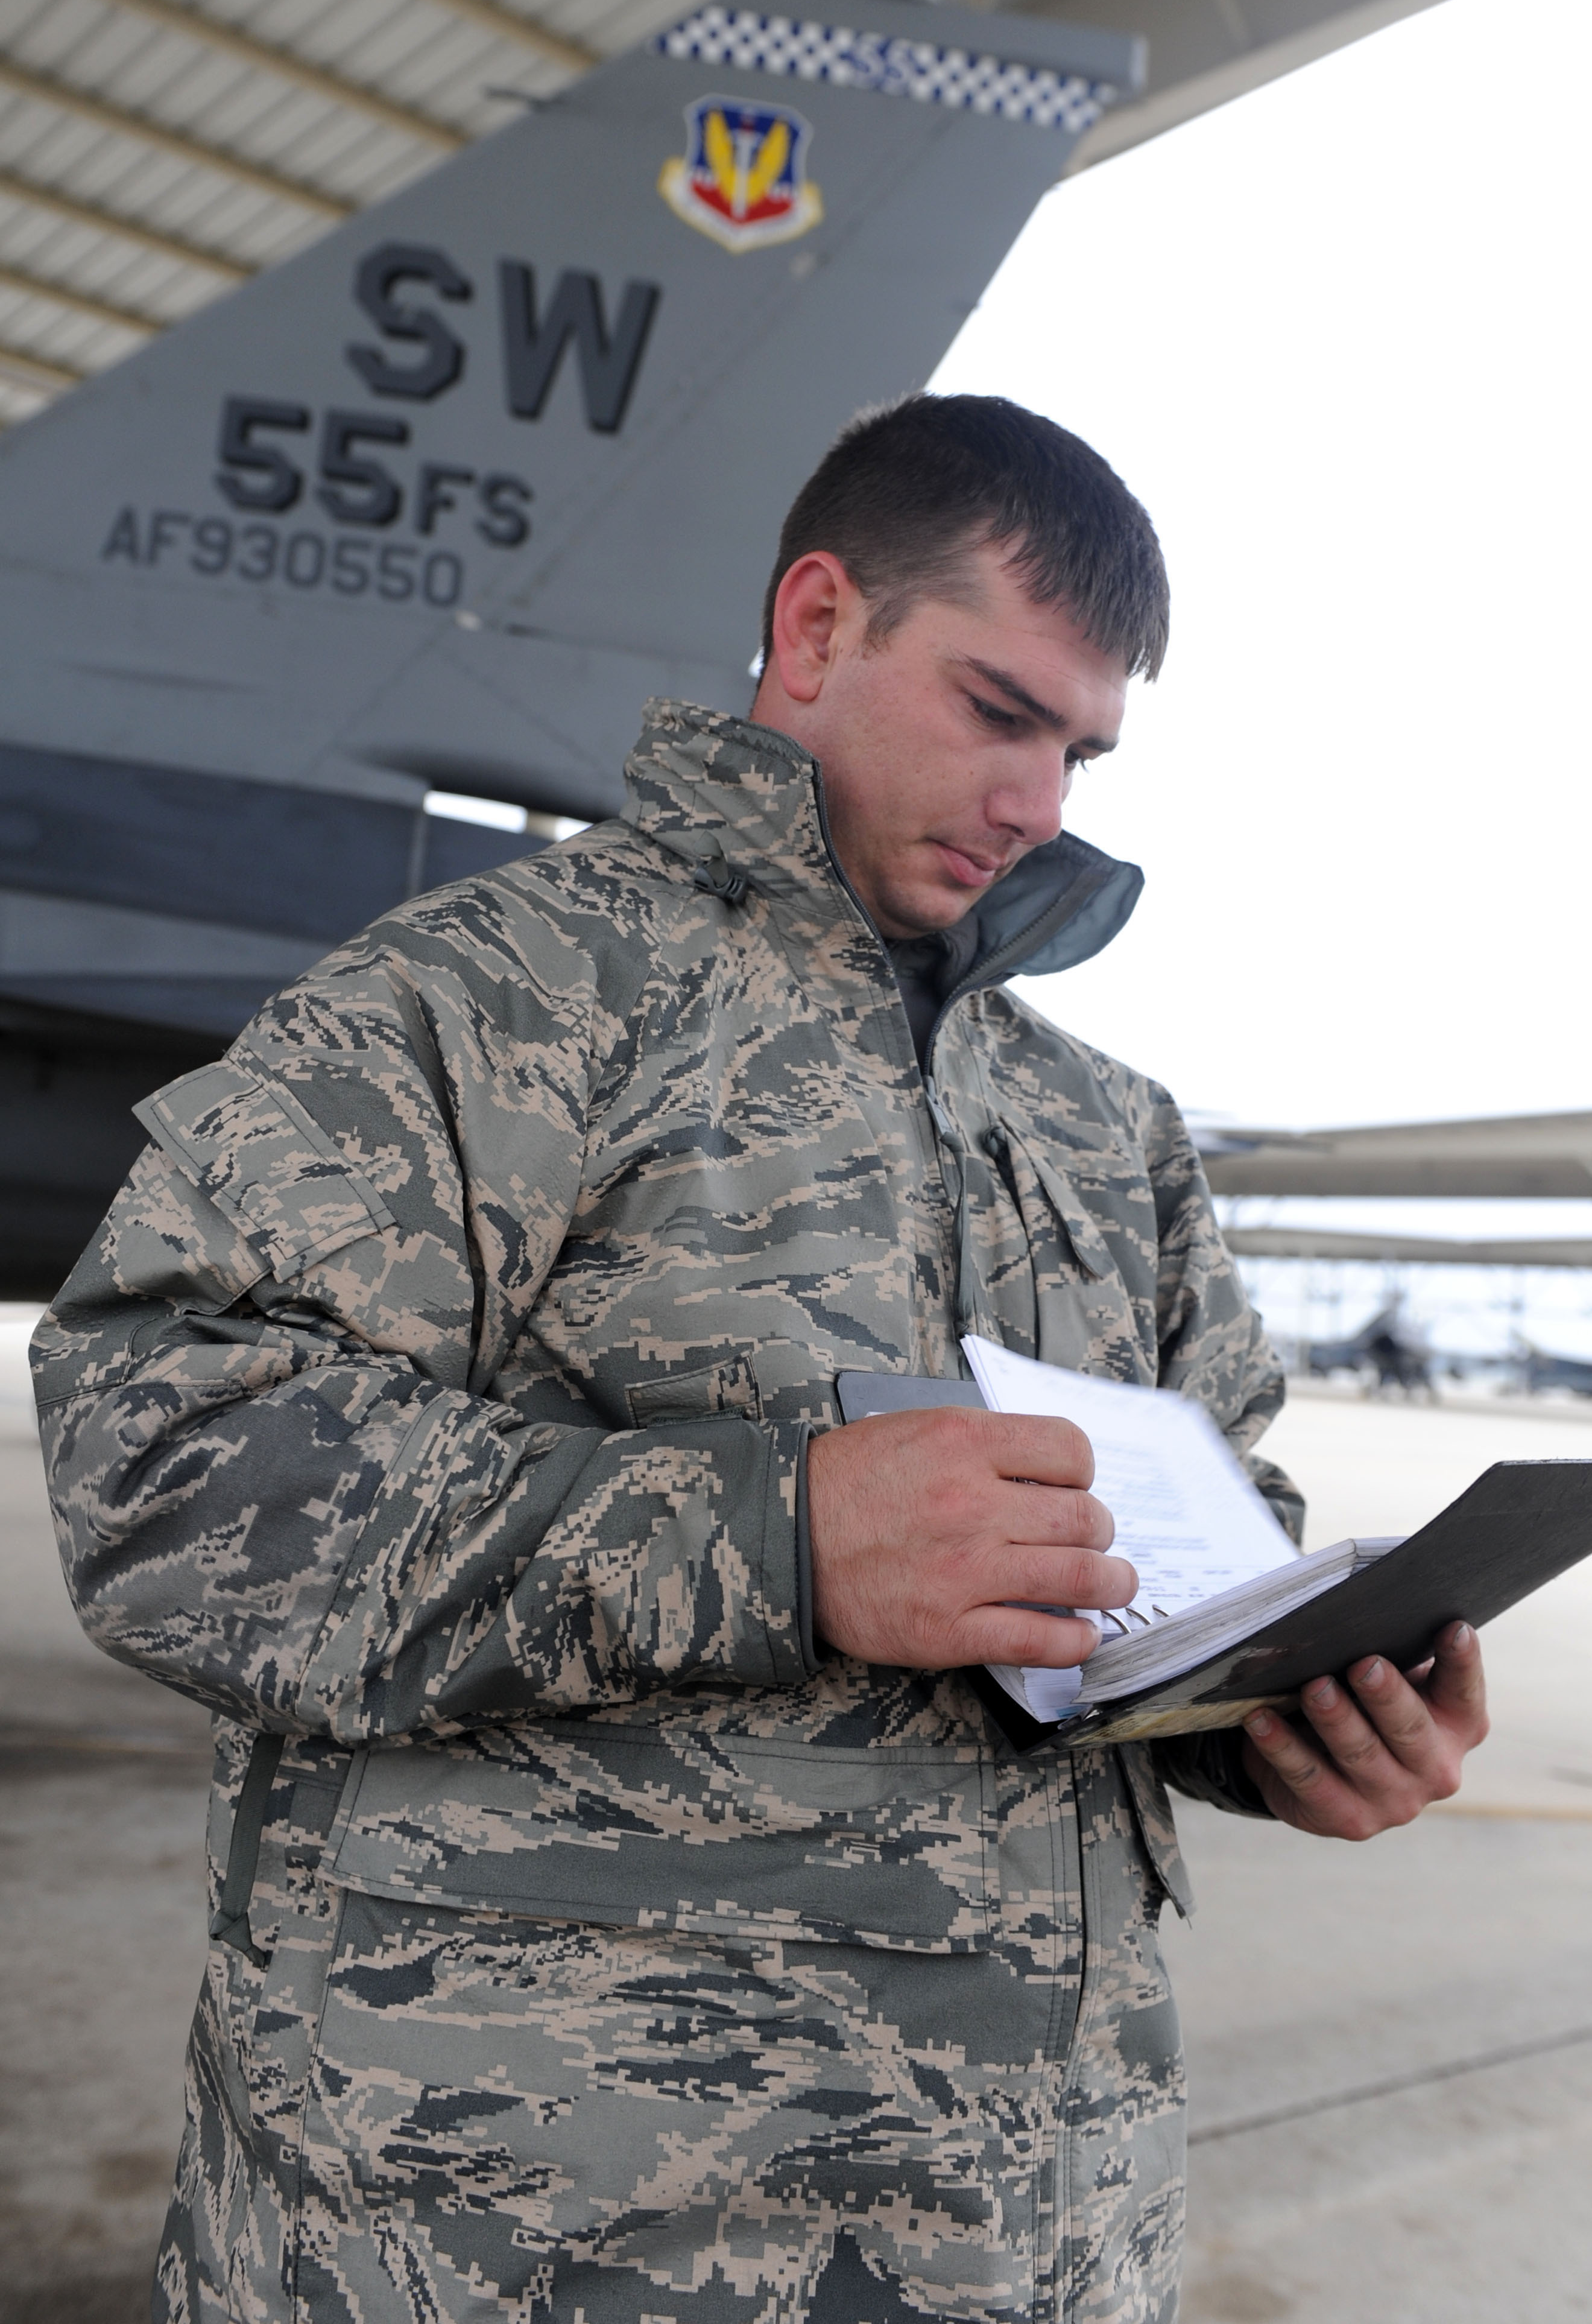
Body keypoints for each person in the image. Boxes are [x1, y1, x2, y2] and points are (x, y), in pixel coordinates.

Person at [34, 394, 1487, 2324]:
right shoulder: (494, 1000)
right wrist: (775, 1539)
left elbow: (1215, 1519)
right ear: (818, 630)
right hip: (516, 2235)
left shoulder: (1106, 1129)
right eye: (998, 710)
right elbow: (161, 1459)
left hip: (1024, 2238)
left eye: (1082, 745)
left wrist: (1292, 1709)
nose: (1042, 801)